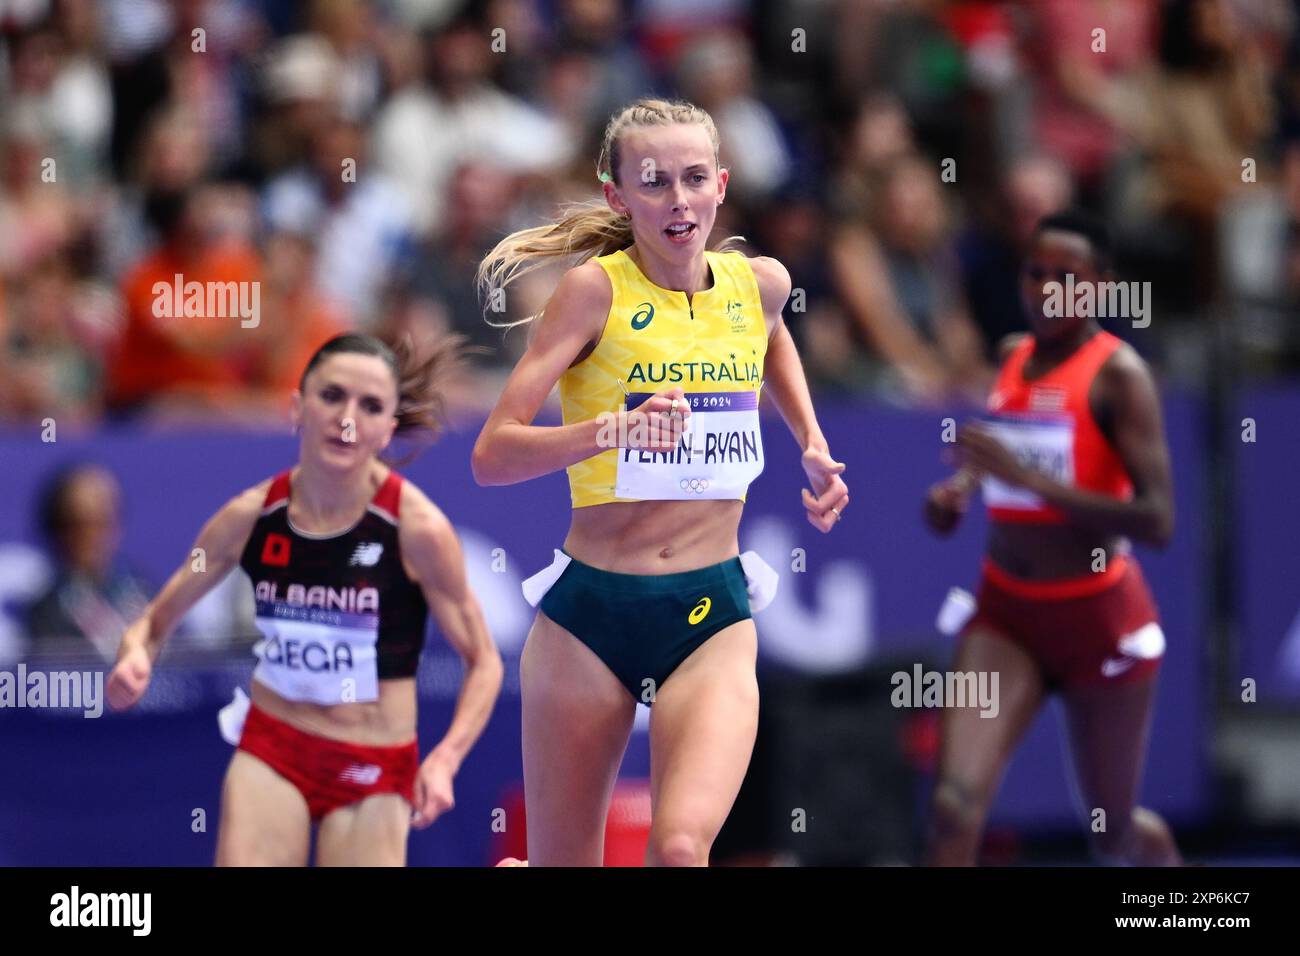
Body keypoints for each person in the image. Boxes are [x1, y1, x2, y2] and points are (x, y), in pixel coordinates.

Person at [473, 98, 849, 866]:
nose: (677, 200)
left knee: (679, 849)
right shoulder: (592, 293)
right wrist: (606, 431)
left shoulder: (761, 285)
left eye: (692, 179)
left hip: (709, 614)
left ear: (721, 184)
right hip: (590, 616)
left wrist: (811, 440)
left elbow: (770, 341)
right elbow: (493, 456)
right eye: (653, 182)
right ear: (617, 195)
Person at [106, 333, 503, 866]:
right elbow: (153, 623)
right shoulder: (250, 516)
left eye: (370, 407)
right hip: (275, 747)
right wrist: (136, 656)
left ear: (388, 428)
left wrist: (445, 760)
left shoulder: (417, 529)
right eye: (332, 396)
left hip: (373, 763)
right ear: (297, 408)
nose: (347, 418)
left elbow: (483, 661)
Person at [923, 211, 1181, 866]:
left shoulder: (1122, 376)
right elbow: (1009, 461)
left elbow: (1157, 521)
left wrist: (1029, 479)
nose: (1046, 291)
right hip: (1007, 614)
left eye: (1067, 278)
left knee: (1112, 835)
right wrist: (960, 493)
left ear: (1101, 287)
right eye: (1036, 274)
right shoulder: (1012, 356)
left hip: (1100, 620)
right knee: (953, 805)